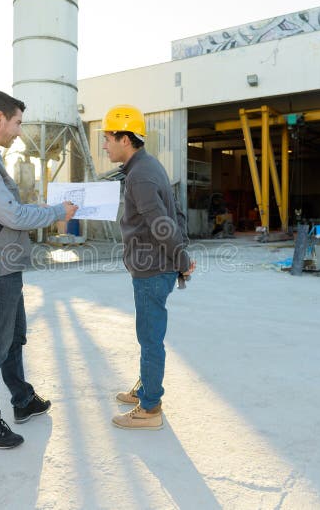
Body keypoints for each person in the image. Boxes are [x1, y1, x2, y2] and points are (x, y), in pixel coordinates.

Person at [0, 90, 78, 449]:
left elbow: (7, 209)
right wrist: (55, 212)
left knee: (14, 338)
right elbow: (10, 215)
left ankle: (22, 399)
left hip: (4, 265)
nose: (20, 131)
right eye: (18, 122)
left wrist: (42, 209)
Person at [101, 104, 195, 430]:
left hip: (152, 270)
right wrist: (179, 257)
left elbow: (160, 224)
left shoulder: (139, 176)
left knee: (150, 338)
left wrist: (181, 260)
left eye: (108, 138)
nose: (104, 145)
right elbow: (176, 213)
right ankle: (146, 387)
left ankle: (150, 407)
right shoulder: (149, 165)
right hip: (159, 265)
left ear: (125, 139)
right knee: (149, 335)